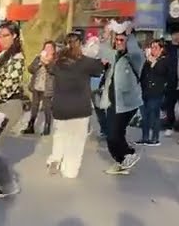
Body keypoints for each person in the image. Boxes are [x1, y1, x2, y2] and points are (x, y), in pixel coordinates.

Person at [46, 32, 105, 179]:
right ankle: (69, 170)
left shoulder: (57, 62)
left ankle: (55, 159)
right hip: (80, 107)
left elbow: (49, 68)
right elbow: (99, 69)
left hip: (60, 106)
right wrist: (102, 62)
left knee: (60, 135)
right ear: (80, 44)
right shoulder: (85, 62)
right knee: (76, 141)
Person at [100, 24, 143, 175]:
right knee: (111, 135)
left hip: (127, 103)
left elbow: (135, 50)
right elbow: (102, 50)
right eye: (117, 40)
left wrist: (130, 36)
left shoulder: (135, 58)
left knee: (114, 134)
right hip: (112, 102)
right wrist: (106, 35)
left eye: (122, 40)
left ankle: (129, 154)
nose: (119, 42)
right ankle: (122, 162)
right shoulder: (114, 55)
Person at [0, 22, 25, 141]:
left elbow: (9, 87)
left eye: (5, 35)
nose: (1, 39)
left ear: (14, 36)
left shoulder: (17, 57)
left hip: (8, 103)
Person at [138, 38, 172, 146]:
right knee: (144, 116)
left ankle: (155, 138)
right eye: (152, 47)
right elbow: (143, 75)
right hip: (145, 92)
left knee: (154, 115)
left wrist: (153, 62)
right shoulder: (148, 61)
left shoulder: (164, 61)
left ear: (161, 49)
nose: (153, 50)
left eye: (156, 48)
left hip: (157, 92)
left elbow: (161, 72)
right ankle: (145, 137)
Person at [24, 41, 56, 136]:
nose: (47, 50)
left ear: (53, 50)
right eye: (46, 48)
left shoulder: (55, 60)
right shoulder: (38, 58)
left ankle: (47, 127)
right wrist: (38, 64)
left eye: (50, 48)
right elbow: (30, 69)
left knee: (47, 108)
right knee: (34, 107)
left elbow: (53, 71)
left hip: (47, 88)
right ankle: (30, 126)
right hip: (37, 86)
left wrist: (46, 64)